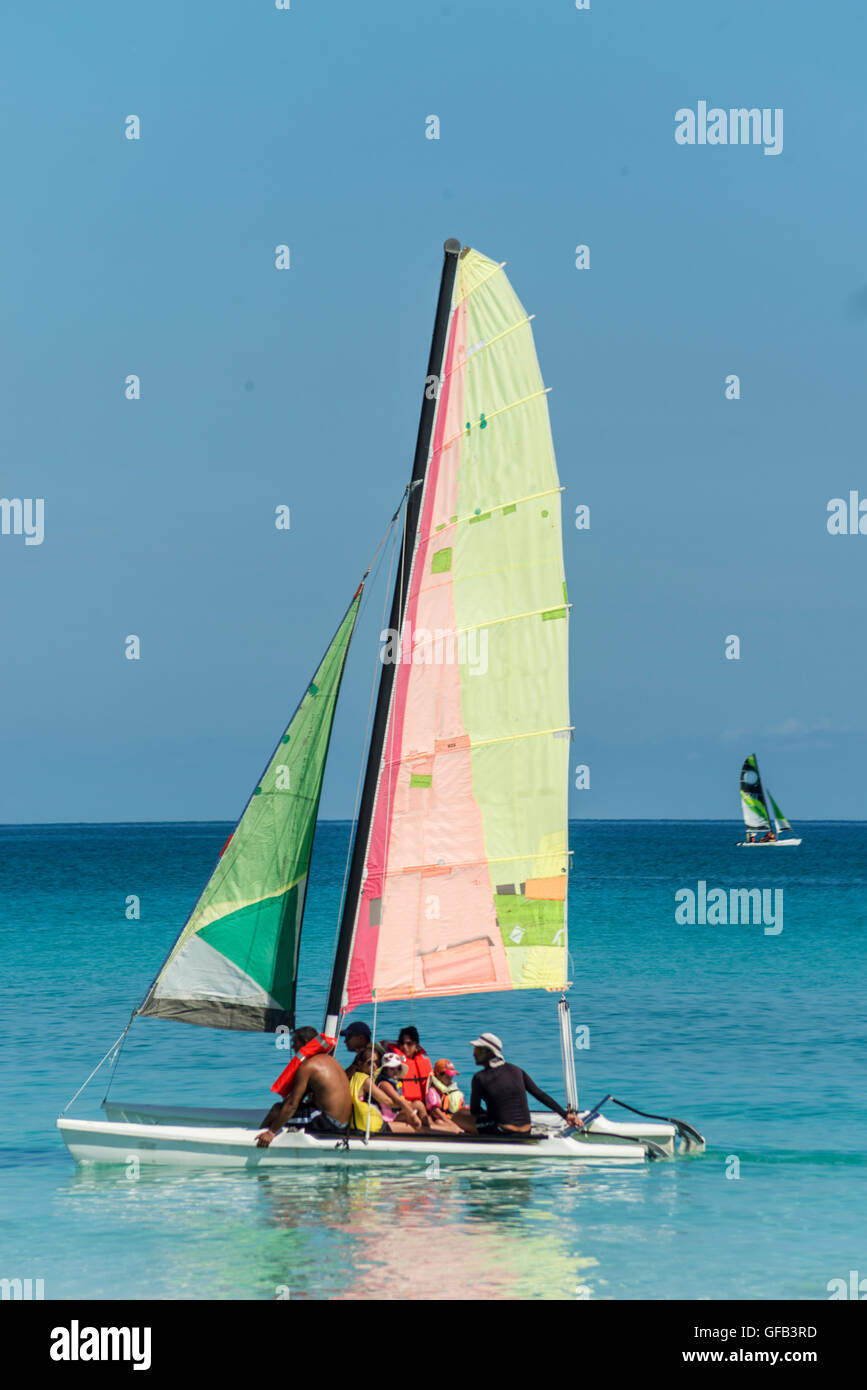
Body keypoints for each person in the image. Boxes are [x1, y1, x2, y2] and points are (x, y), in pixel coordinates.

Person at [452, 1031, 582, 1136]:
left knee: (458, 1116)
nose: (473, 1055)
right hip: (526, 1130)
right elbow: (540, 1094)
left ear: (490, 1053)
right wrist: (565, 1115)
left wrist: (489, 1114)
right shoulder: (517, 1070)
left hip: (503, 1130)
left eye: (478, 1051)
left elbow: (475, 1111)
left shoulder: (479, 1077)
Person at [256, 1026, 351, 1146]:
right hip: (343, 1122)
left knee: (276, 1111)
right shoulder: (329, 1060)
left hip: (329, 1123)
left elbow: (291, 1105)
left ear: (305, 1042)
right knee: (282, 1109)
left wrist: (271, 1132)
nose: (292, 1047)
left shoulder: (308, 1067)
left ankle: (258, 1140)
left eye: (294, 1042)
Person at [349, 1046, 421, 1134]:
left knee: (416, 1108)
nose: (375, 1066)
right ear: (360, 1064)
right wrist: (408, 1107)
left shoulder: (354, 1078)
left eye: (377, 1062)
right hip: (371, 1125)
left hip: (357, 1123)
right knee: (418, 1128)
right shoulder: (366, 1080)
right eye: (370, 1063)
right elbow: (387, 1102)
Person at [379, 1025, 433, 1126]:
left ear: (416, 1045)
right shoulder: (392, 1063)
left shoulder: (423, 1061)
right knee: (419, 1106)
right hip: (400, 1111)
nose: (404, 1047)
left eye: (409, 1044)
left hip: (417, 1107)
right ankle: (431, 1133)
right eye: (402, 1043)